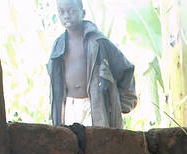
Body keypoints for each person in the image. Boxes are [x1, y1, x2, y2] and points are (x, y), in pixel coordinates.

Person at [48, 0, 137, 128]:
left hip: (93, 105)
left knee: (96, 145)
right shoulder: (58, 45)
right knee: (69, 145)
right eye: (62, 12)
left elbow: (125, 68)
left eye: (71, 11)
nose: (66, 15)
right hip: (68, 106)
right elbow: (54, 80)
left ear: (83, 13)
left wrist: (119, 103)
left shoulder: (99, 42)